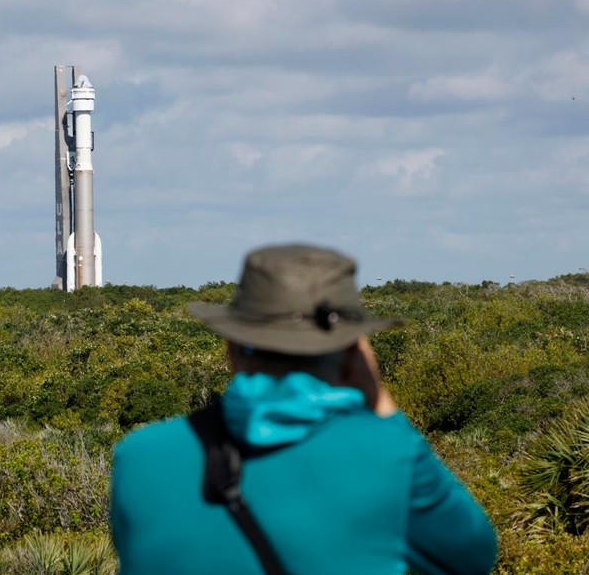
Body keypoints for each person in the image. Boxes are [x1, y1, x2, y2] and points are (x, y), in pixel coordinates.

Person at [110, 244, 497, 574]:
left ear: (231, 350)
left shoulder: (138, 457)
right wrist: (381, 404)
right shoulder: (390, 454)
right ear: (352, 355)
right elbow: (473, 558)